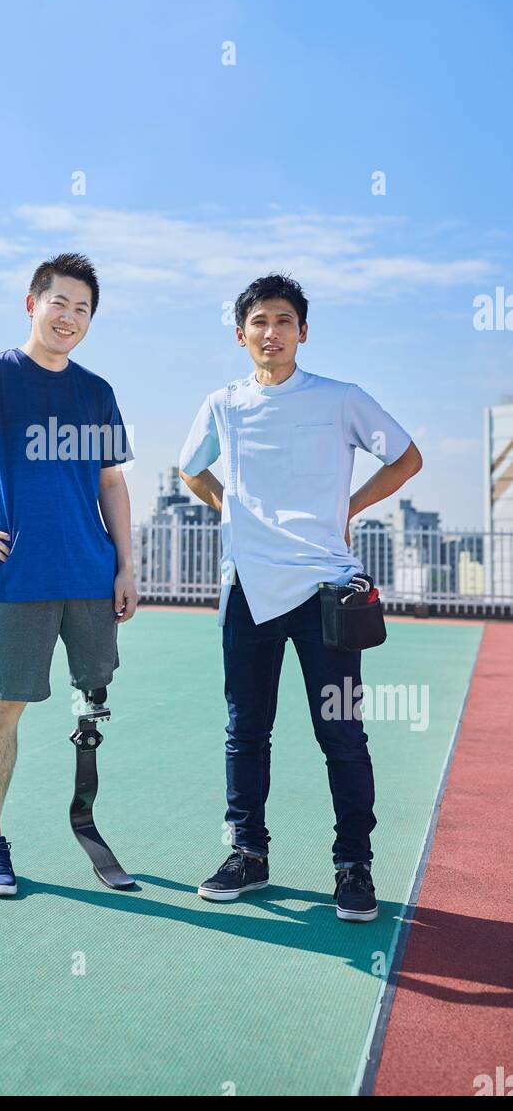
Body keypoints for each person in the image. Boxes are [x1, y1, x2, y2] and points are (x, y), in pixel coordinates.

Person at [178, 273, 422, 921]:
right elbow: (190, 467)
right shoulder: (223, 404)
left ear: (303, 332)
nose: (271, 332)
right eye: (259, 321)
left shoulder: (341, 399)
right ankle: (248, 855)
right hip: (248, 592)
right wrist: (230, 508)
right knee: (245, 732)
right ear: (240, 335)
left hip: (328, 594)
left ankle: (353, 866)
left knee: (341, 735)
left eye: (284, 321)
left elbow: (406, 458)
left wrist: (351, 506)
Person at [0, 253, 137, 896]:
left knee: (94, 698)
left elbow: (111, 482)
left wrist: (125, 565)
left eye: (83, 309)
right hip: (16, 579)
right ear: (31, 303)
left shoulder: (97, 392)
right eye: (59, 303)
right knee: (2, 707)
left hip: (91, 578)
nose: (69, 317)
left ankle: (85, 817)